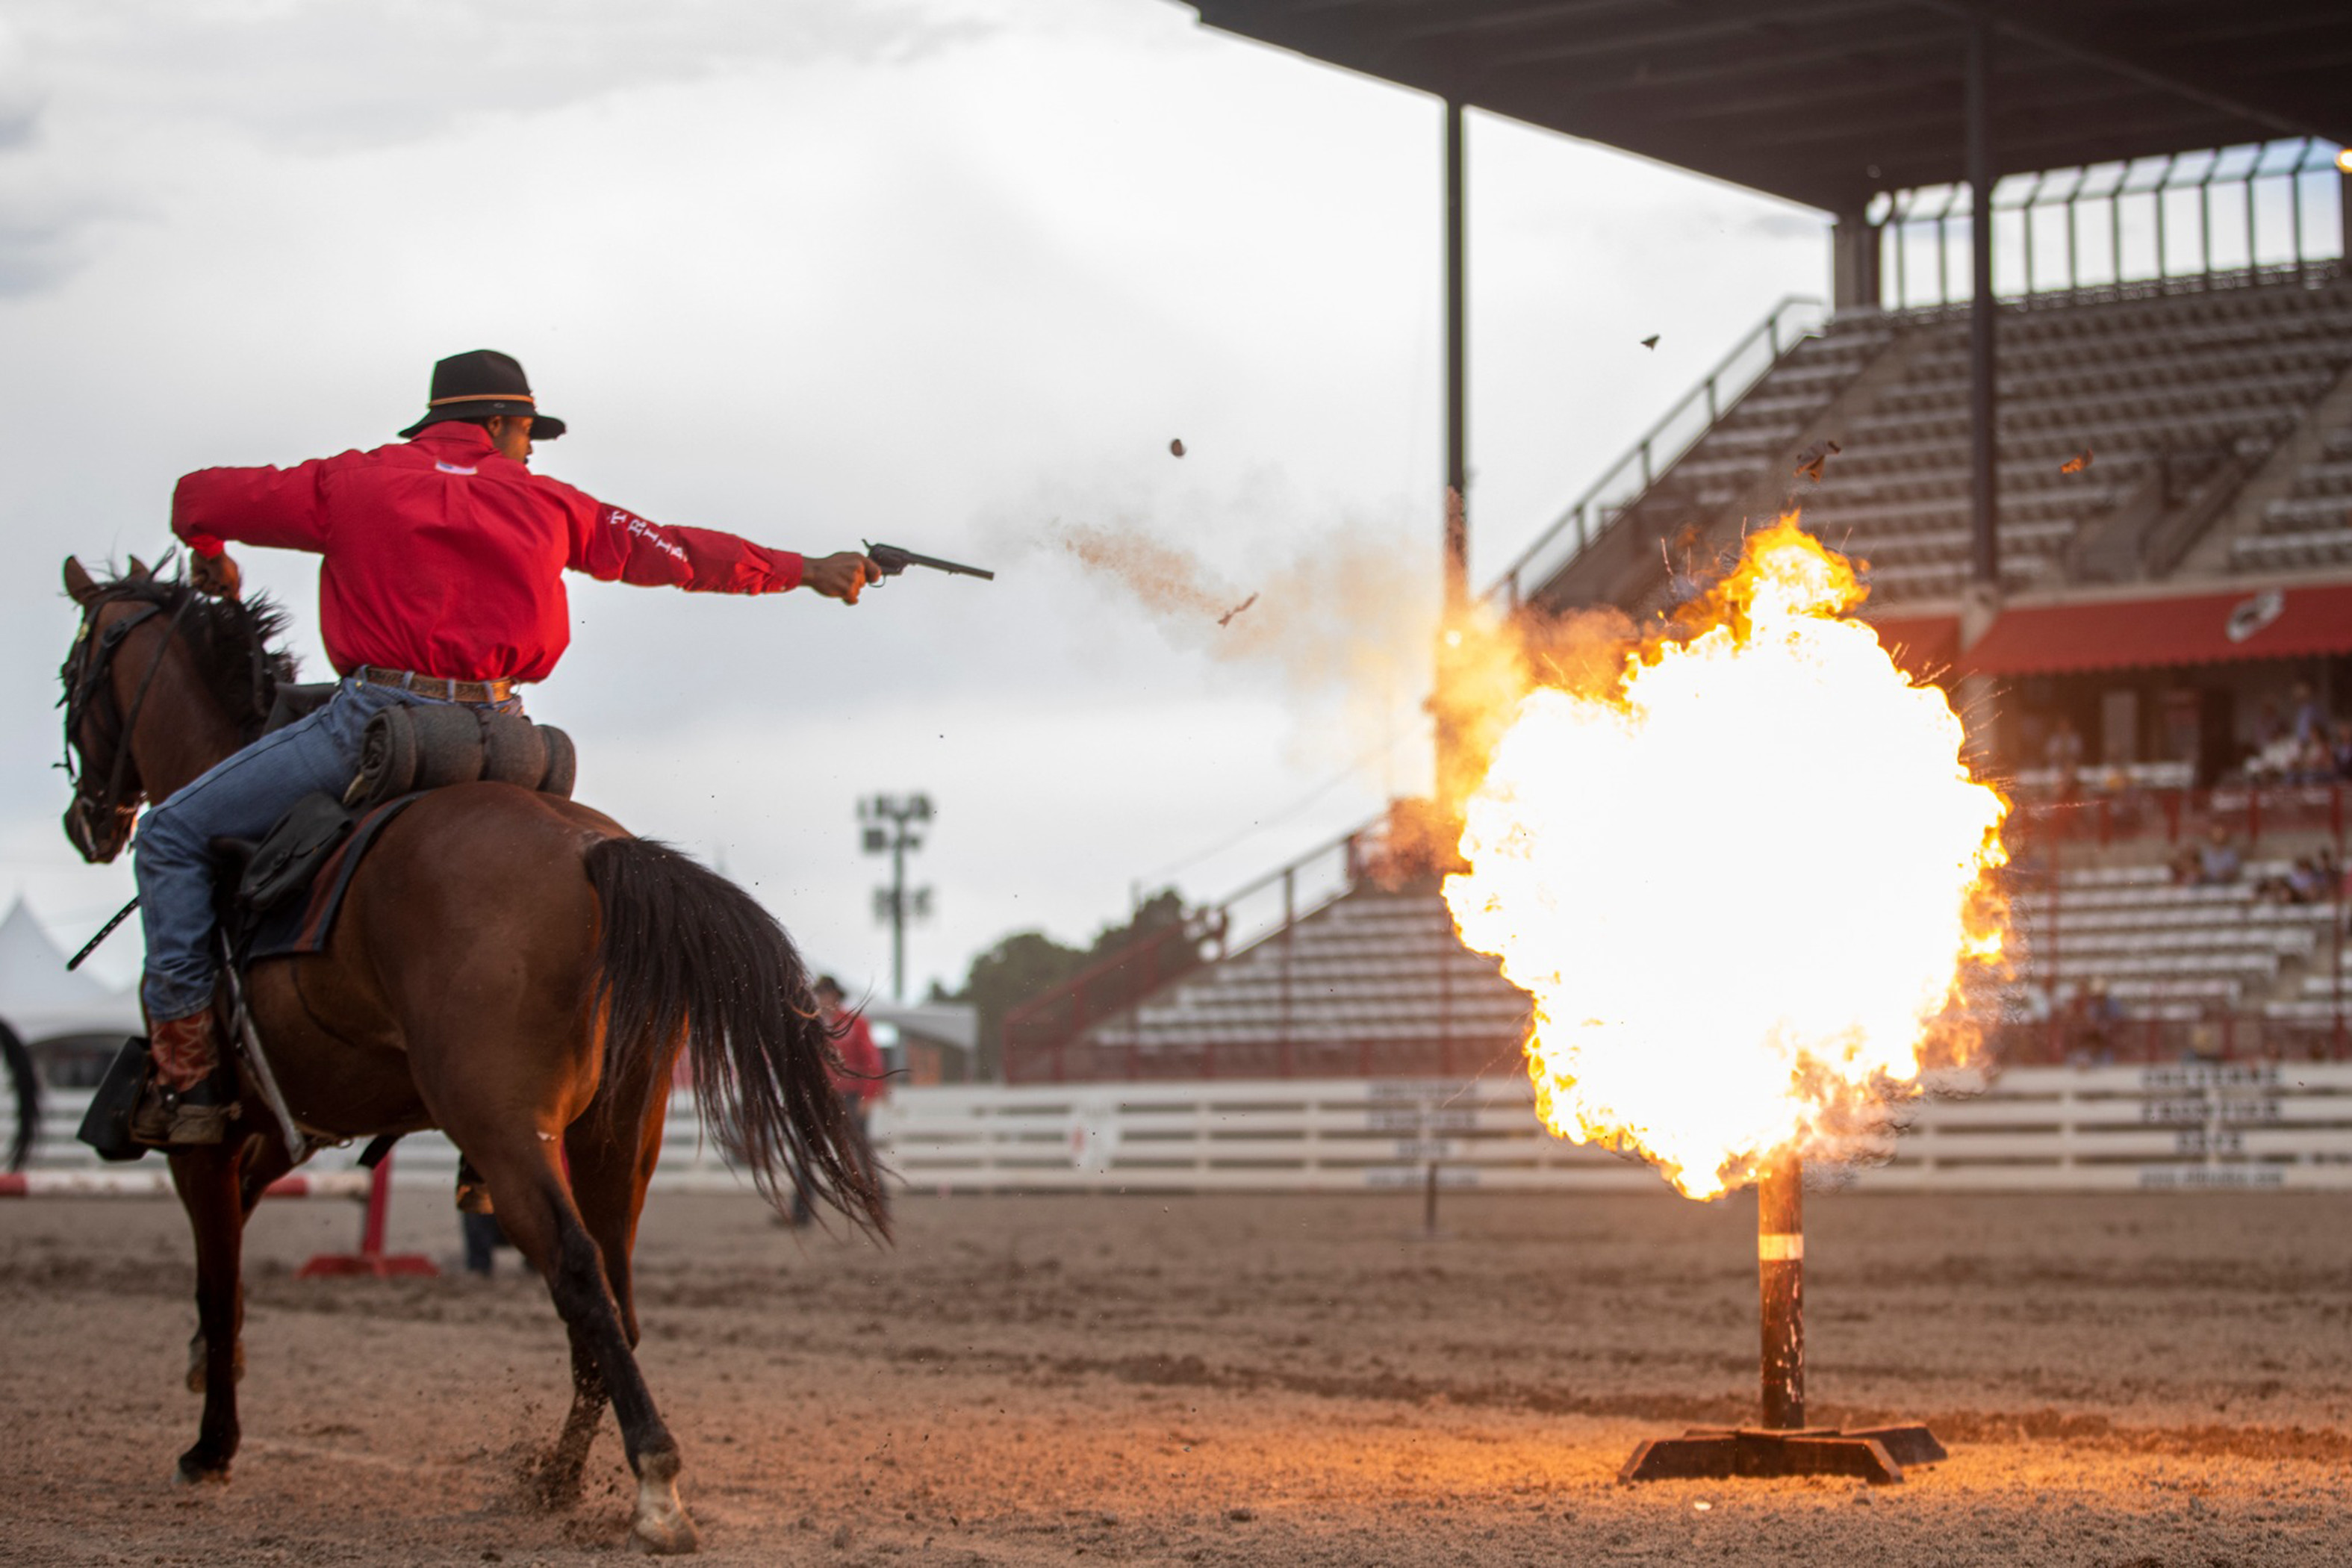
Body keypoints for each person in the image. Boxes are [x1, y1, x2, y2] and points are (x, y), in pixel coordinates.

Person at [129, 349, 882, 1145]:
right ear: (498, 423)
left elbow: (194, 498)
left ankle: (191, 1073)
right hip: (511, 739)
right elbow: (678, 553)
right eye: (529, 433)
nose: (530, 450)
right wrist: (806, 570)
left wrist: (213, 559)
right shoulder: (550, 502)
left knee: (170, 834)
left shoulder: (347, 482)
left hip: (378, 722)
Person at [789, 976, 888, 1227]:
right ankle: (800, 1214)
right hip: (821, 1095)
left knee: (860, 1153)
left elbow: (872, 1061)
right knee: (807, 1151)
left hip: (850, 1097)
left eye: (826, 993)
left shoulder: (854, 1023)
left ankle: (879, 1205)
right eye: (819, 993)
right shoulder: (811, 1026)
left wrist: (867, 1096)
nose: (822, 998)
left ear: (835, 995)